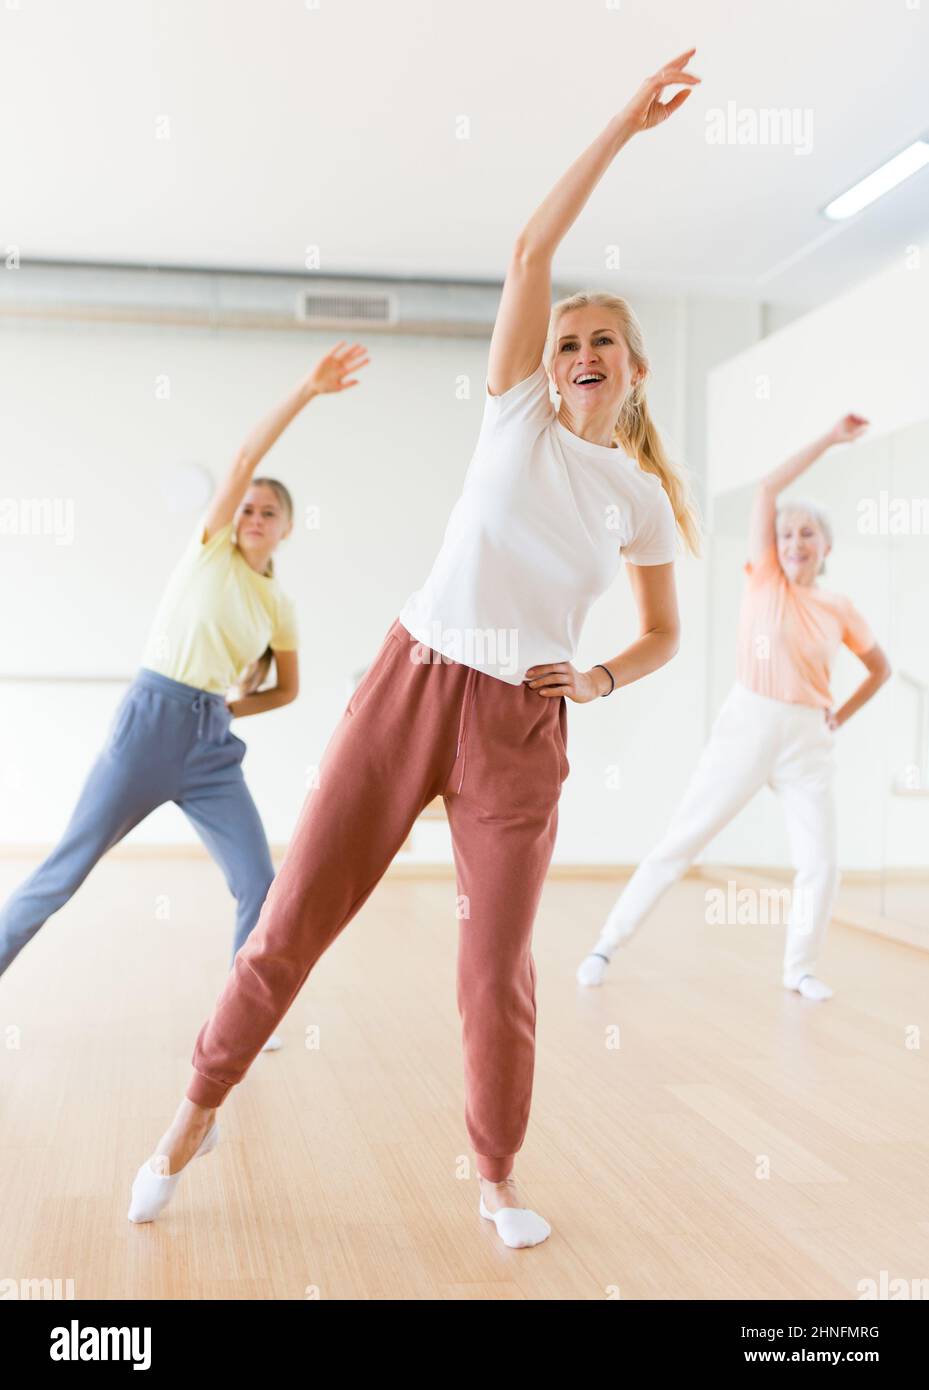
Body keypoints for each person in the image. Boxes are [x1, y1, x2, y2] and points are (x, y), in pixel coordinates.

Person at [128, 50, 702, 1248]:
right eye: (567, 336)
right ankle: (193, 1110)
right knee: (293, 916)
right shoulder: (514, 415)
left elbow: (661, 632)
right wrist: (620, 125)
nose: (580, 348)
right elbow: (529, 253)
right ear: (546, 360)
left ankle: (494, 1174)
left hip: (521, 723)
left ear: (633, 368)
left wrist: (598, 676)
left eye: (602, 338)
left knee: (493, 970)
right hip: (414, 681)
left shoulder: (637, 498)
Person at [0, 342, 369, 1059]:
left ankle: (243, 1022)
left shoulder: (278, 604)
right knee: (64, 871)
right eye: (248, 506)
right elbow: (243, 458)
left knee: (259, 883)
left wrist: (229, 712)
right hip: (149, 725)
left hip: (210, 745)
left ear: (287, 528)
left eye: (268, 511)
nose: (254, 515)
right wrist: (307, 390)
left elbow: (287, 688)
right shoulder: (208, 549)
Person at [578, 413, 892, 1001]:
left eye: (807, 534)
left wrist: (839, 716)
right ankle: (605, 945)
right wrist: (830, 438)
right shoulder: (765, 577)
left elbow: (881, 668)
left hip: (808, 740)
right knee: (683, 839)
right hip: (750, 722)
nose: (794, 542)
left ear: (826, 546)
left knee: (821, 863)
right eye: (786, 534)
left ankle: (800, 969)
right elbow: (768, 488)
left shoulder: (840, 607)